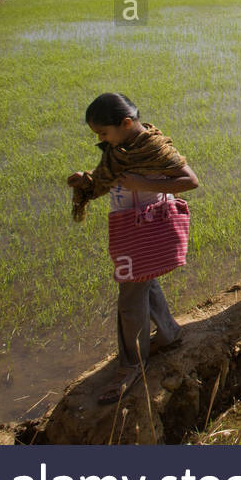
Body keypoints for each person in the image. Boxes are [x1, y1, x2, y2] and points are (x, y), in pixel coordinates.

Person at [67, 93, 199, 406]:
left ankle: (131, 366)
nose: (100, 139)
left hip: (146, 229)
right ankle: (168, 334)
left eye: (103, 133)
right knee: (144, 281)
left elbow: (190, 181)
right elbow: (107, 179)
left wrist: (144, 185)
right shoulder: (119, 149)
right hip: (129, 227)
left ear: (126, 123)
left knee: (129, 301)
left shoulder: (152, 147)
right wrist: (86, 180)